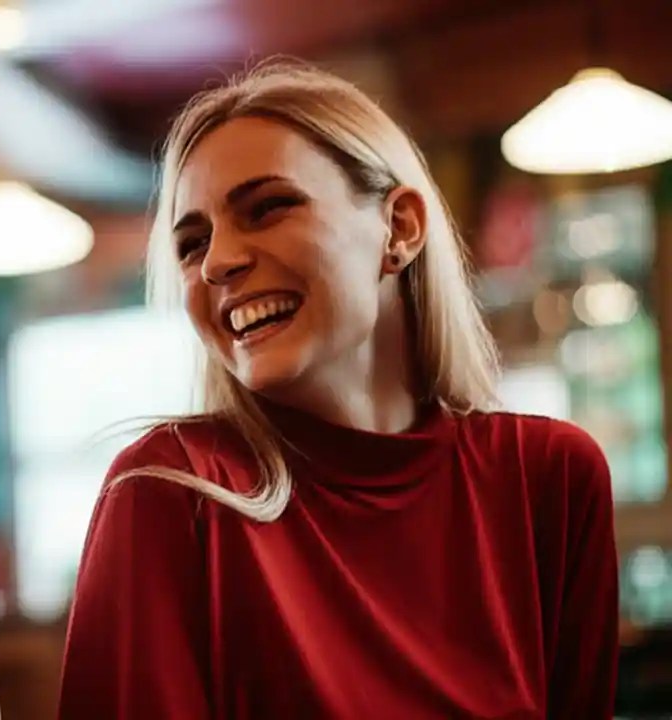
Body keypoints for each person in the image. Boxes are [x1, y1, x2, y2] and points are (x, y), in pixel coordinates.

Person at [58, 60, 618, 719]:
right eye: (192, 243)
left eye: (267, 208)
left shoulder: (545, 477)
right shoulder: (170, 492)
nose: (218, 263)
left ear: (401, 228)